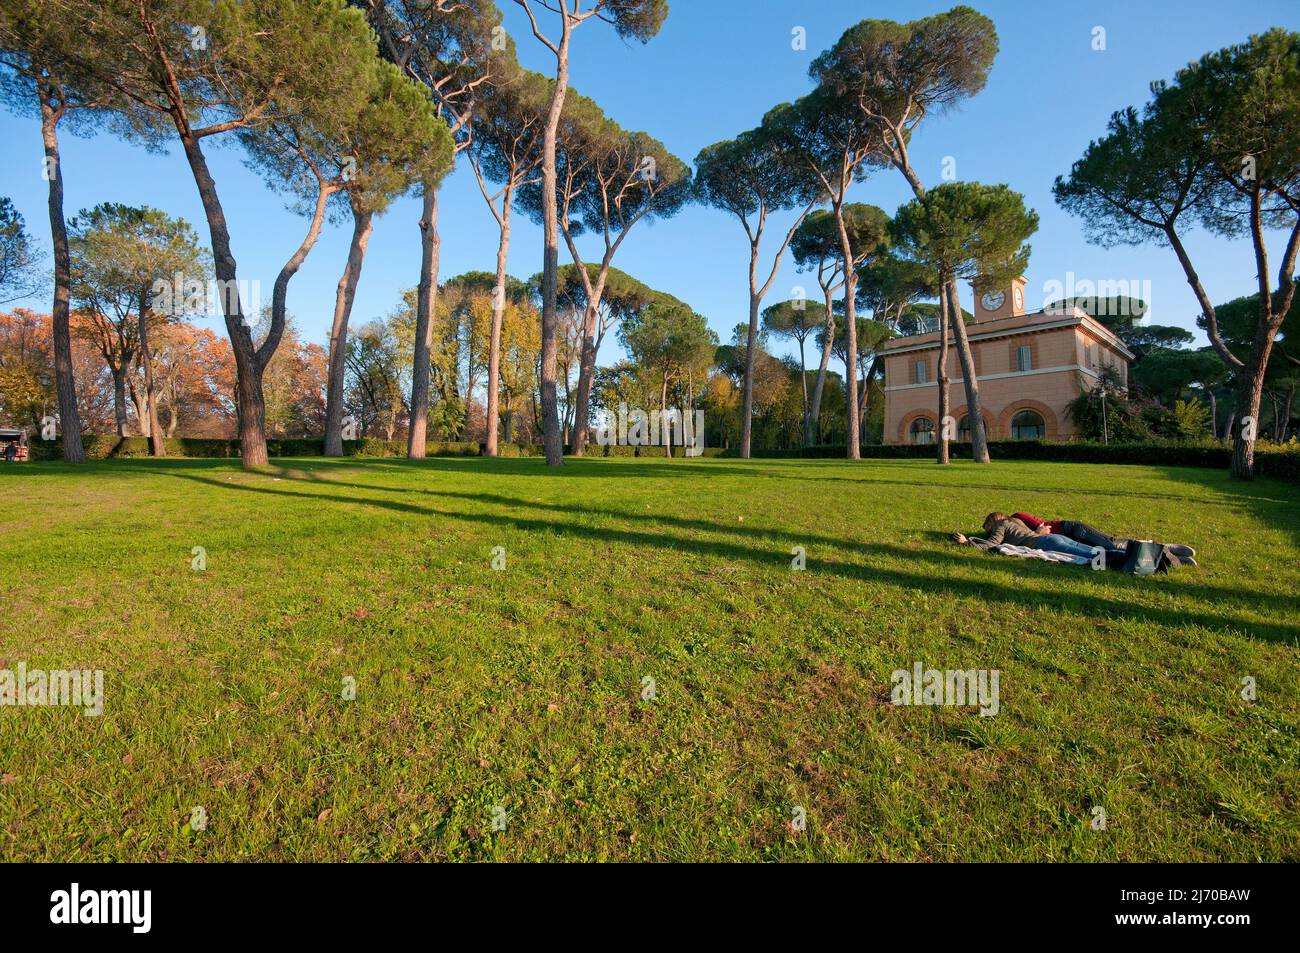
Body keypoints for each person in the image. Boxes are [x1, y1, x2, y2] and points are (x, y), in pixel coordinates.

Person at [1013, 511, 1195, 564]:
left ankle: (1165, 548)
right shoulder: (1014, 531)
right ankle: (1167, 557)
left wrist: (1038, 531)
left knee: (1112, 542)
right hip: (1072, 539)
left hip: (1073, 529)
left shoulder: (1017, 516)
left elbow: (1042, 527)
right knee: (1111, 549)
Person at [950, 512, 1126, 563]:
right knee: (1089, 550)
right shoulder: (1015, 522)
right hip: (1055, 537)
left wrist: (967, 542)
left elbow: (991, 544)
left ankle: (1121, 559)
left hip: (1045, 543)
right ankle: (1124, 552)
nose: (986, 529)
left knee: (1089, 556)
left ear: (992, 521)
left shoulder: (1000, 525)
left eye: (987, 525)